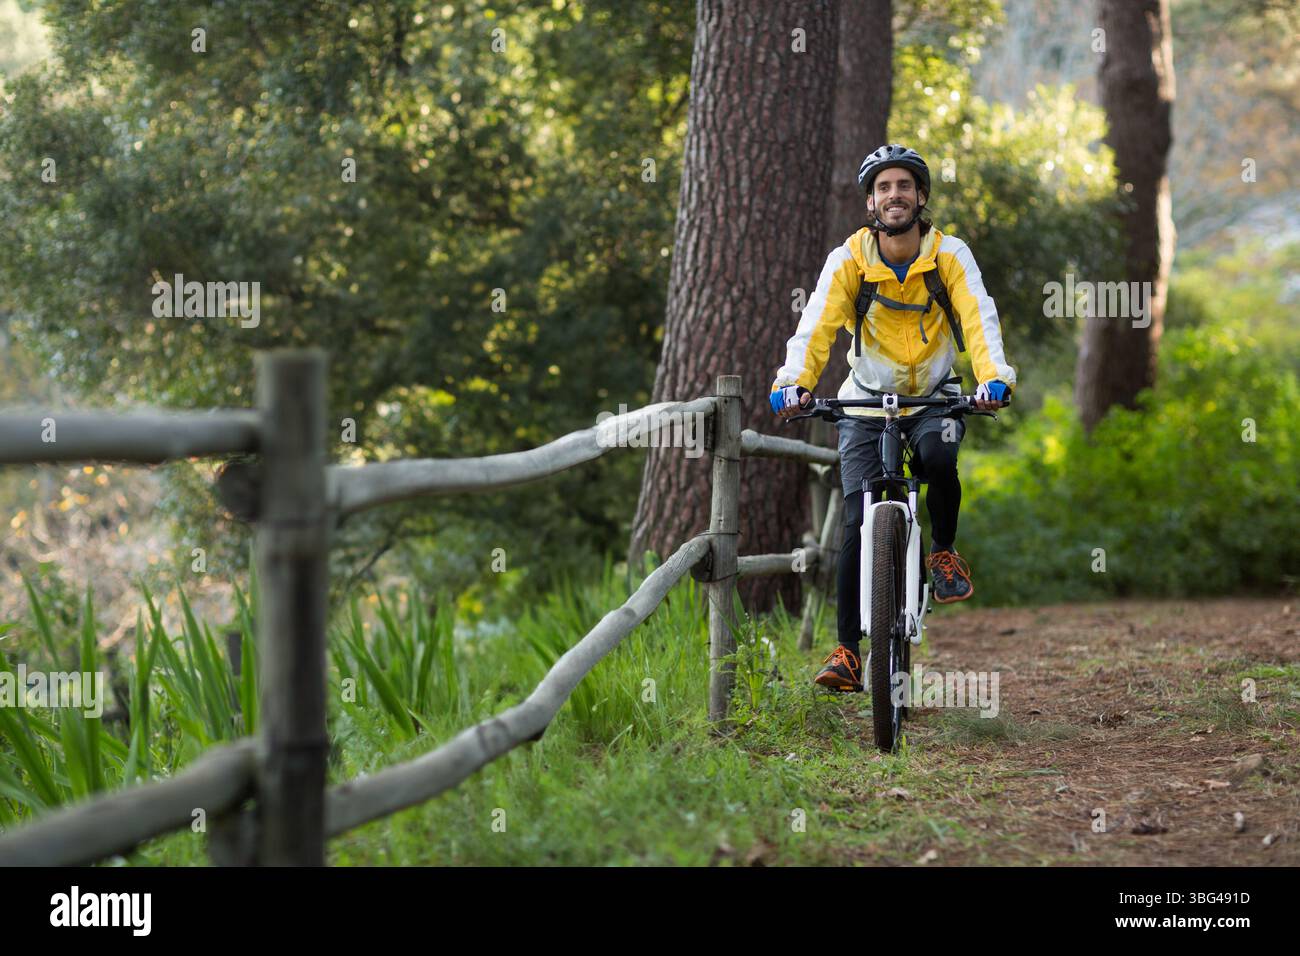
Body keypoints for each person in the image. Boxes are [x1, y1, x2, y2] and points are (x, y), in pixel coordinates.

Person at [768, 144, 1016, 692]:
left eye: (904, 185)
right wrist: (793, 384)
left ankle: (944, 554)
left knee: (936, 456)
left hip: (934, 396)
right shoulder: (851, 259)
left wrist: (994, 377)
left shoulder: (950, 256)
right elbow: (816, 326)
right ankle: (847, 652)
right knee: (857, 521)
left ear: (921, 197)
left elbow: (979, 317)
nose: (894, 195)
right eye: (883, 188)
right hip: (866, 399)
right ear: (871, 202)